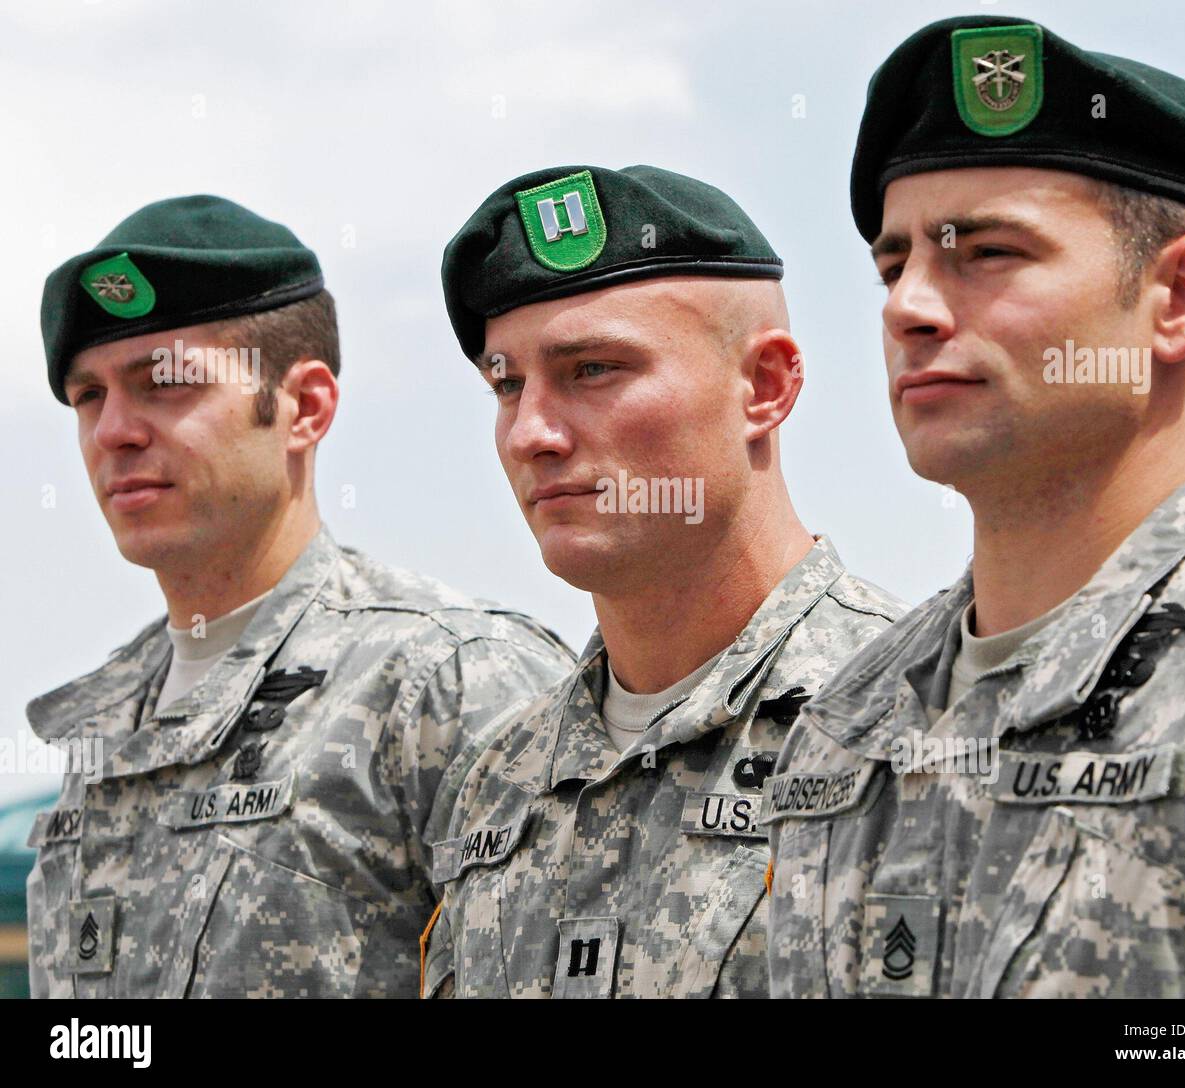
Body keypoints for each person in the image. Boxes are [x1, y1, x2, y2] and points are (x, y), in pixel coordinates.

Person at [764, 14, 1185, 997]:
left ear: (1180, 294)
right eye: (894, 264)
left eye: (986, 253)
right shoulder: (843, 720)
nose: (906, 306)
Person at [26, 194, 573, 997]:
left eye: (162, 384)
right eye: (89, 396)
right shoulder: (107, 723)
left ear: (304, 408)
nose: (114, 431)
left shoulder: (448, 681)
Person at [424, 164, 906, 997]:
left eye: (593, 370)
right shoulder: (497, 782)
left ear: (764, 386)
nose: (530, 432)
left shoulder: (912, 722)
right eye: (508, 384)